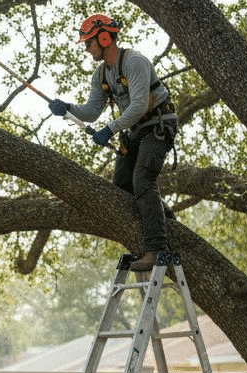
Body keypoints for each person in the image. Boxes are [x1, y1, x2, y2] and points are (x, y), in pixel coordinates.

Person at [49, 13, 178, 272]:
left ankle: (157, 249)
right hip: (134, 131)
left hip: (157, 125)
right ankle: (166, 220)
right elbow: (91, 112)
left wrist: (109, 129)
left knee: (142, 179)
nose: (86, 49)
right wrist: (67, 108)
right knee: (121, 187)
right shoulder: (100, 75)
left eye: (88, 43)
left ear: (105, 37)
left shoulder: (135, 62)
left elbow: (140, 106)